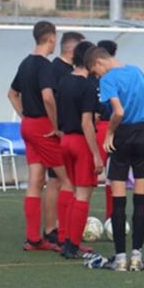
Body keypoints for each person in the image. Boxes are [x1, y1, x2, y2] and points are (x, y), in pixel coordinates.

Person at [86, 46, 144, 272]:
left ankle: (120, 258)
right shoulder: (136, 71)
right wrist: (141, 117)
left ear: (98, 63)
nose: (97, 76)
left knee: (118, 200)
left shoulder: (108, 79)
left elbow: (118, 112)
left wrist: (110, 133)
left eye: (94, 72)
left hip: (122, 136)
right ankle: (137, 256)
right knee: (140, 198)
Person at [8, 21, 73, 251]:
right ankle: (63, 237)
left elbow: (12, 93)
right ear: (51, 39)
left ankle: (33, 238)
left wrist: (24, 115)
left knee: (36, 181)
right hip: (43, 127)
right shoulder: (45, 66)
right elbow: (47, 97)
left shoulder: (25, 63)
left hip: (28, 126)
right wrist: (56, 126)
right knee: (67, 180)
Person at [56, 41, 104, 258]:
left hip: (65, 140)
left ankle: (65, 238)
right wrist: (96, 154)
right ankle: (72, 245)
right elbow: (87, 122)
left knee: (70, 189)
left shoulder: (64, 81)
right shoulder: (88, 86)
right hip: (81, 142)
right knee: (83, 194)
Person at [45, 31, 85, 248]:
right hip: (62, 132)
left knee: (60, 180)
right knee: (57, 180)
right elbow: (48, 97)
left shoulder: (69, 70)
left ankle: (60, 229)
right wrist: (56, 125)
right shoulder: (56, 69)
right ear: (73, 49)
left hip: (64, 132)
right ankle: (54, 229)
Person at [95, 40, 118, 220]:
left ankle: (110, 216)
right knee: (113, 174)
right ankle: (112, 216)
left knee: (93, 172)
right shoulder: (118, 75)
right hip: (114, 125)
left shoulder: (96, 77)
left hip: (103, 126)